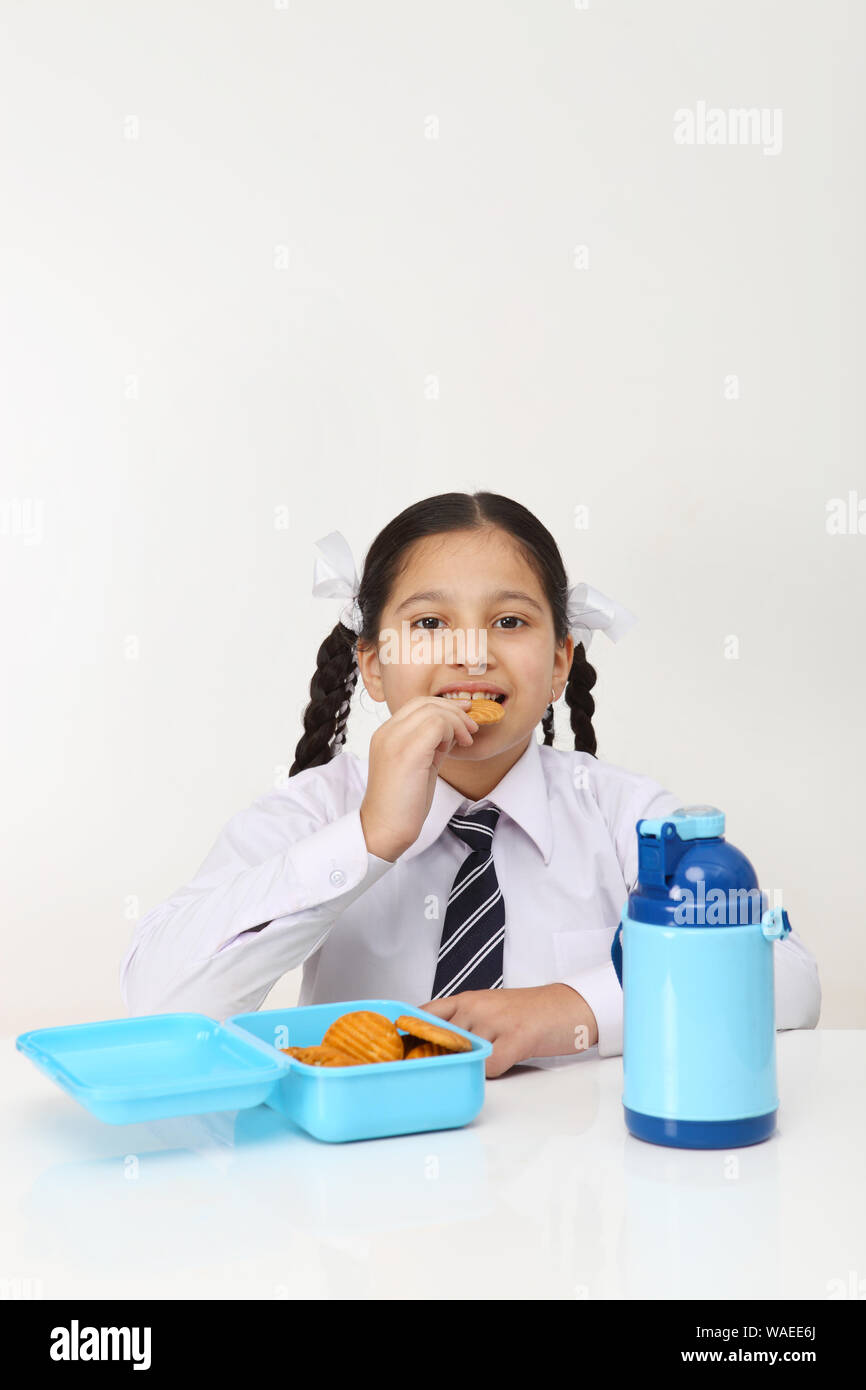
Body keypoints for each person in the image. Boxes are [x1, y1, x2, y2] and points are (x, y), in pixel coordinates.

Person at [119, 491, 820, 1076]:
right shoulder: (312, 813)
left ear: (557, 666)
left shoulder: (624, 816)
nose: (471, 652)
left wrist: (571, 1010)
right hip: (359, 1198)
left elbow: (788, 975)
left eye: (509, 621)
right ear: (372, 664)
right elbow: (158, 1008)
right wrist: (366, 839)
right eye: (430, 623)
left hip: (582, 1191)